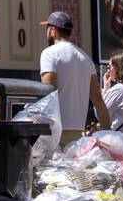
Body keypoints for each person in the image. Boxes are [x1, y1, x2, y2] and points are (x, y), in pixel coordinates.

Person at [38, 10, 109, 144]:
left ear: (53, 31)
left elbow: (47, 93)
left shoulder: (49, 54)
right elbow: (97, 99)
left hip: (55, 130)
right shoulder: (86, 58)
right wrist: (109, 132)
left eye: (47, 28)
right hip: (79, 132)